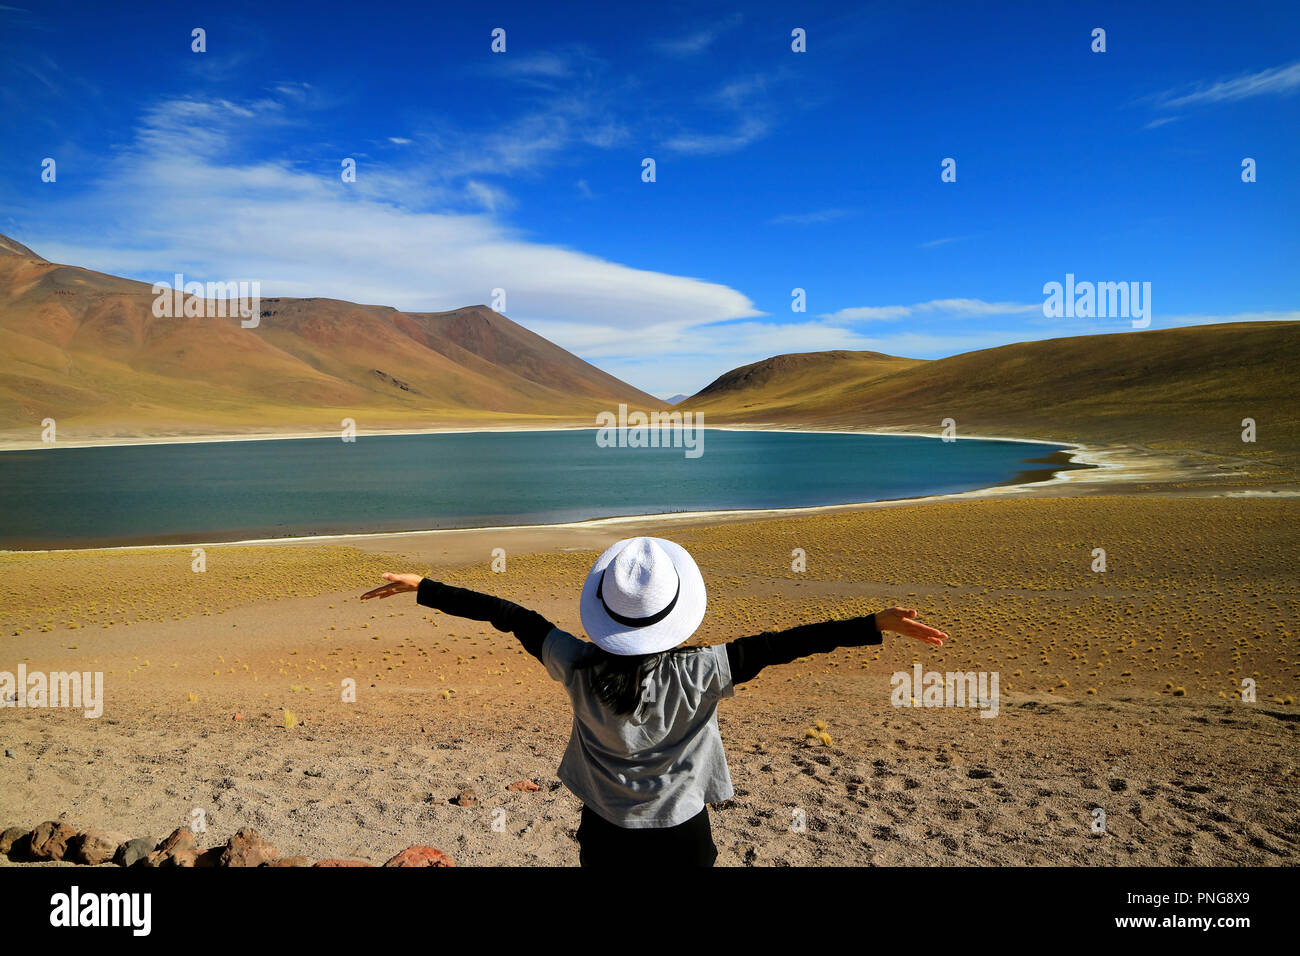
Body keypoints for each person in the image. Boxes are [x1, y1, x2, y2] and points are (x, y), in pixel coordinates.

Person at [360, 535, 947, 867]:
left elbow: (510, 616)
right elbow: (786, 645)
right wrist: (875, 623)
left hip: (605, 828)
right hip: (681, 833)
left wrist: (427, 589)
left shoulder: (575, 663)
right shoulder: (704, 672)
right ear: (674, 611)